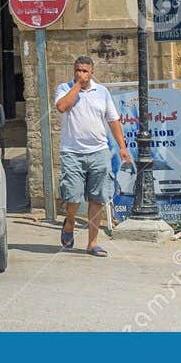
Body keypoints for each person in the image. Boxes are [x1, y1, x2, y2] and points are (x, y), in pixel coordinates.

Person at [54, 55, 132, 257]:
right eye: (78, 70)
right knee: (73, 196)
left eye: (85, 71)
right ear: (74, 71)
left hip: (99, 151)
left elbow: (113, 120)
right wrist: (77, 87)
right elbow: (62, 107)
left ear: (92, 72)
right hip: (72, 152)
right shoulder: (65, 89)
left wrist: (122, 147)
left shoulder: (102, 92)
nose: (81, 74)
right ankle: (70, 223)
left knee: (97, 198)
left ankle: (92, 243)